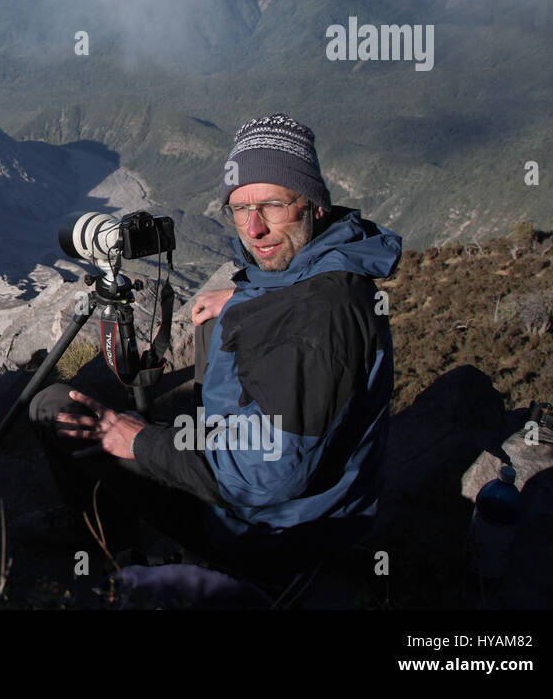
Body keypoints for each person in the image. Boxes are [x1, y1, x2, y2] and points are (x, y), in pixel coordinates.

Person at [27, 113, 403, 578]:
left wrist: (138, 442)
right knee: (215, 327)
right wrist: (247, 297)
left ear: (314, 204)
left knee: (54, 405)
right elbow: (297, 301)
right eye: (240, 209)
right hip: (292, 500)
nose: (255, 228)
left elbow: (265, 476)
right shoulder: (330, 265)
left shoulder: (318, 321)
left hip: (261, 530)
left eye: (272, 205)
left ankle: (106, 533)